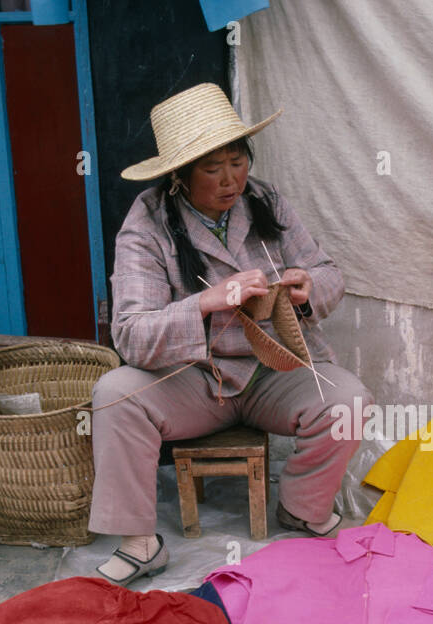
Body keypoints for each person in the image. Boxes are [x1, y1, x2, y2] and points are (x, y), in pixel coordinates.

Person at [88, 83, 372, 585]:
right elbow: (130, 335)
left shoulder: (266, 201)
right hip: (195, 379)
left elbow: (327, 271)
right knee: (113, 395)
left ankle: (302, 506)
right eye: (211, 168)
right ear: (179, 175)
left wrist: (311, 286)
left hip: (271, 372)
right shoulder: (146, 224)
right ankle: (140, 541)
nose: (230, 180)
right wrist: (207, 300)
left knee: (349, 400)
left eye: (237, 161)